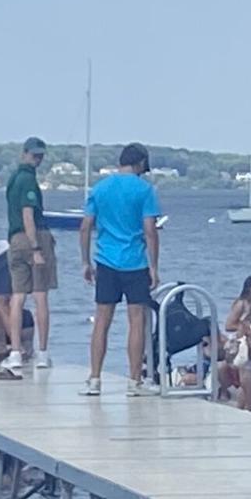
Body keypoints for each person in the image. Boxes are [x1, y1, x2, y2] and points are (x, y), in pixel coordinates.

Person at [80, 143, 161, 397]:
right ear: (139, 164)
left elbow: (85, 226)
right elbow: (150, 231)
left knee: (102, 321)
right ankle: (134, 381)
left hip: (105, 260)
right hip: (135, 262)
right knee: (136, 321)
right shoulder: (145, 190)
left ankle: (94, 378)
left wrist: (85, 261)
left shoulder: (100, 188)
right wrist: (154, 266)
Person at [6, 137, 56, 368]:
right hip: (33, 237)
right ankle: (42, 353)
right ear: (24, 153)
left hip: (14, 239)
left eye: (40, 155)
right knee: (39, 295)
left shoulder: (13, 178)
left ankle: (15, 351)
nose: (38, 159)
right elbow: (28, 214)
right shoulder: (27, 180)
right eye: (35, 155)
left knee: (17, 295)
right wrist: (36, 247)